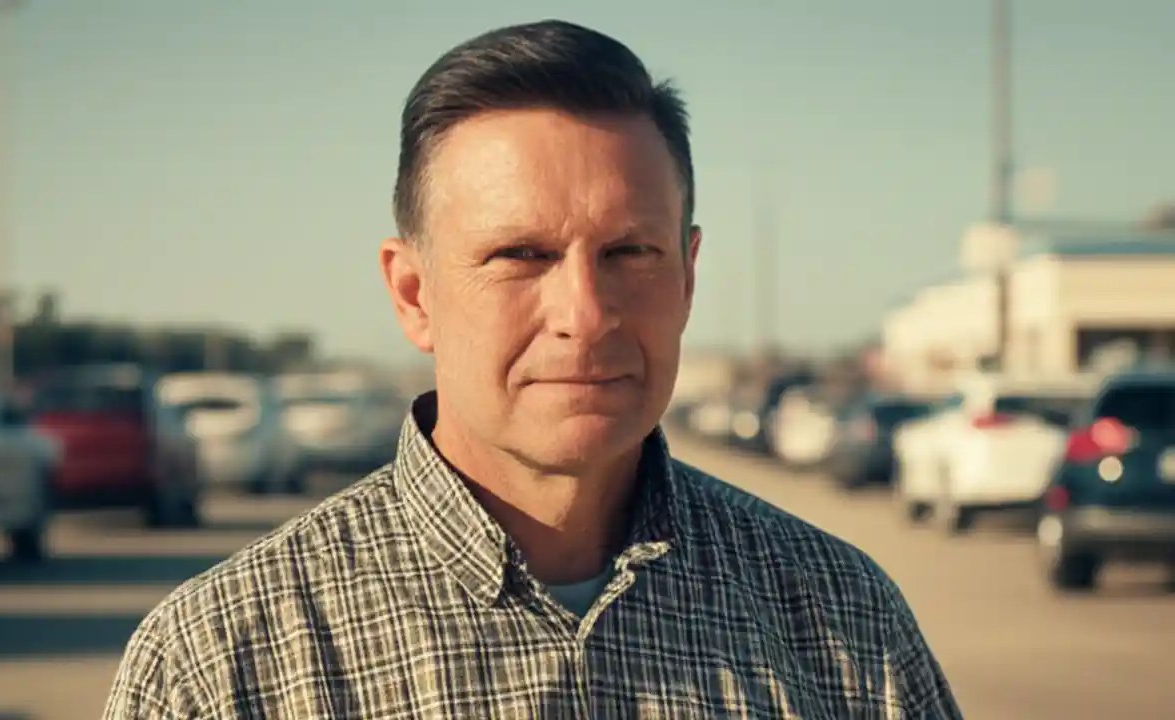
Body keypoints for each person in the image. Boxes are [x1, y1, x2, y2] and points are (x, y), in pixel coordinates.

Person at [104, 19, 962, 719]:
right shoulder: (221, 667)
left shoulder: (843, 622)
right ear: (413, 294)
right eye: (520, 254)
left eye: (631, 251)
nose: (585, 314)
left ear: (689, 277)